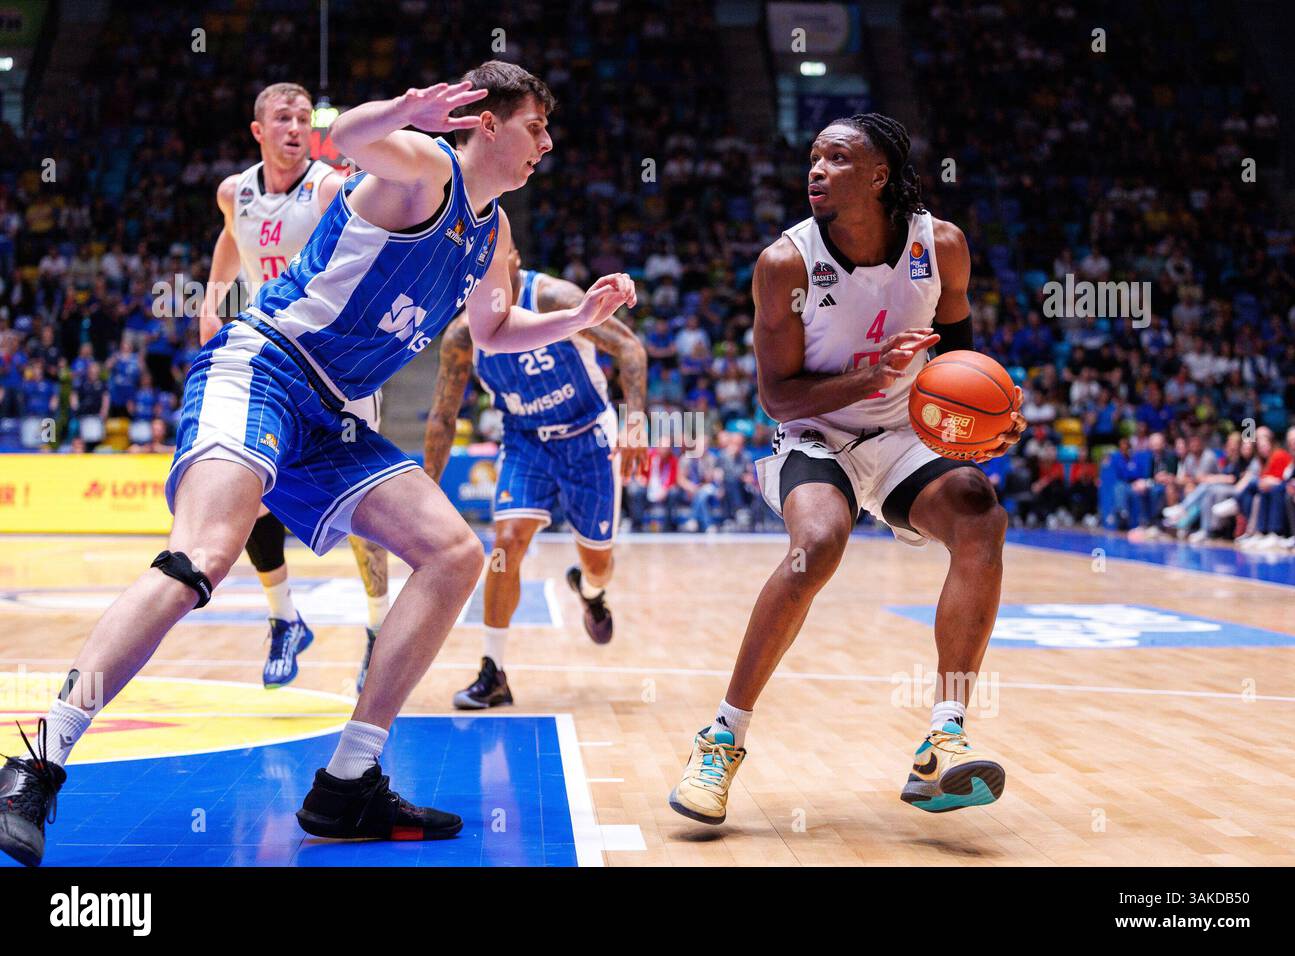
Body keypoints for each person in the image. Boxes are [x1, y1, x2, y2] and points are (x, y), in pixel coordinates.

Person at [1, 62, 637, 867]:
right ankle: (35, 764)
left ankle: (347, 781)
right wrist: (411, 107)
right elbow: (350, 137)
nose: (548, 142)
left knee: (453, 554)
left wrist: (577, 317)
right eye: (536, 125)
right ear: (485, 123)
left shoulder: (494, 232)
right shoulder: (424, 166)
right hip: (265, 366)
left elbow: (496, 331)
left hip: (331, 413)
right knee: (204, 555)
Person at [668, 113, 1025, 825]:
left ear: (878, 175)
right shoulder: (787, 264)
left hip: (901, 435)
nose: (817, 170)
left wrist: (989, 421)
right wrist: (872, 376)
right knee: (818, 545)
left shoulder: (942, 247)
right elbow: (778, 394)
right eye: (813, 158)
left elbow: (960, 368)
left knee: (981, 511)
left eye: (836, 158)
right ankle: (720, 740)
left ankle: (943, 740)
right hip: (814, 431)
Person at [198, 82, 390, 691]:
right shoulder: (235, 192)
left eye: (304, 119)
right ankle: (284, 618)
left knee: (368, 512)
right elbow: (233, 237)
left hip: (339, 367)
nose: (295, 127)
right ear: (258, 130)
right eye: (283, 118)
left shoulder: (330, 186)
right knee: (246, 483)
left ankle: (379, 628)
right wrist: (211, 305)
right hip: (274, 366)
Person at [423, 245, 647, 708]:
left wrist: (637, 420)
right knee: (505, 543)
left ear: (517, 260)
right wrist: (426, 485)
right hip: (525, 441)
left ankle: (588, 590)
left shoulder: (554, 297)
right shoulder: (463, 335)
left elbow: (629, 346)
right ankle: (493, 670)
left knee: (598, 564)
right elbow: (443, 416)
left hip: (588, 439)